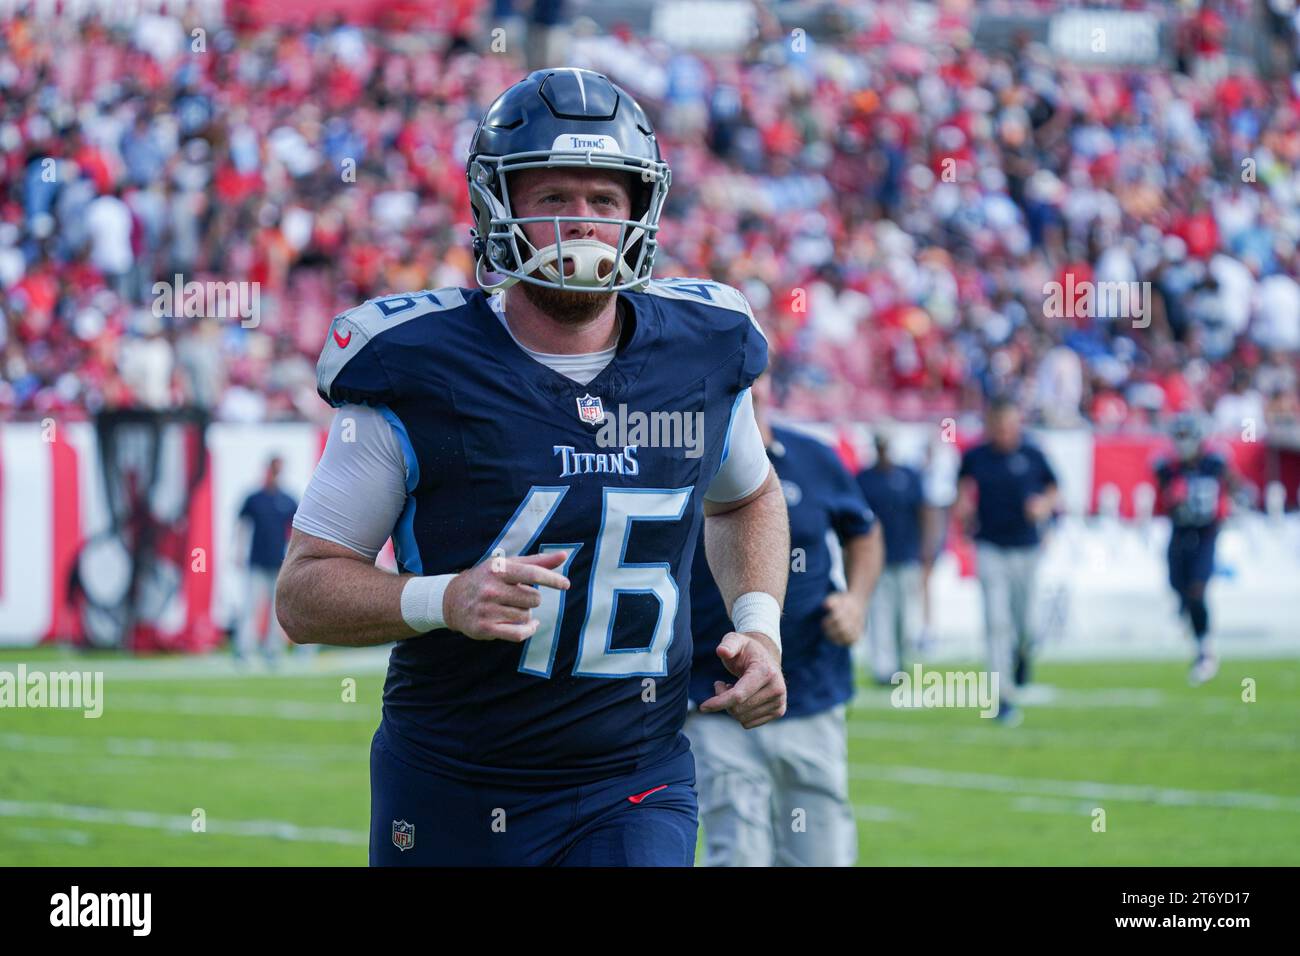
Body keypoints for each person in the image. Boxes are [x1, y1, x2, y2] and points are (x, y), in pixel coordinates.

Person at [275, 69, 791, 867]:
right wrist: (444, 597)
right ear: (497, 206)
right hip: (450, 779)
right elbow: (304, 594)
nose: (579, 225)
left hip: (636, 780)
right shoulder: (418, 366)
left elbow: (747, 500)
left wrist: (759, 628)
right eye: (552, 199)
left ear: (639, 214)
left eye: (602, 201)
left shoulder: (702, 348)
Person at [685, 372, 880, 866]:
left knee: (821, 852)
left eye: (758, 371)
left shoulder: (815, 457)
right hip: (714, 692)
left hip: (809, 686)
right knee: (738, 851)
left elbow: (864, 532)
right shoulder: (679, 458)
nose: (748, 383)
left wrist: (856, 601)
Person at [955, 399, 1058, 723]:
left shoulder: (1032, 454)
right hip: (990, 546)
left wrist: (1043, 506)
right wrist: (963, 510)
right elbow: (961, 491)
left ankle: (1022, 655)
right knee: (996, 622)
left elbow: (1054, 488)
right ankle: (1002, 695)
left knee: (1025, 622)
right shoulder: (975, 456)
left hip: (1026, 547)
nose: (1003, 432)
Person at [1153, 413, 1238, 685]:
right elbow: (1164, 501)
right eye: (1178, 436)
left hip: (1206, 532)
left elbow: (1233, 482)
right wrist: (1172, 497)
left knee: (1197, 589)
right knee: (1177, 585)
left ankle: (1205, 651)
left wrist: (1234, 500)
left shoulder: (1214, 462)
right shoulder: (1167, 466)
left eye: (1186, 436)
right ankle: (1187, 614)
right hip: (1179, 532)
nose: (1183, 442)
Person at [856, 430, 926, 683]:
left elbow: (923, 511)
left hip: (906, 555)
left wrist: (924, 548)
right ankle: (884, 668)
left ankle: (901, 661)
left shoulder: (908, 476)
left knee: (905, 616)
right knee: (881, 615)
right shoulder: (864, 479)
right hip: (877, 559)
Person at [235, 456, 297, 665]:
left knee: (275, 610)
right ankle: (244, 649)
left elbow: (296, 532)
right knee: (250, 606)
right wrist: (239, 552)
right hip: (257, 561)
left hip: (278, 563)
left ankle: (272, 650)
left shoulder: (287, 500)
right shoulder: (254, 498)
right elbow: (242, 525)